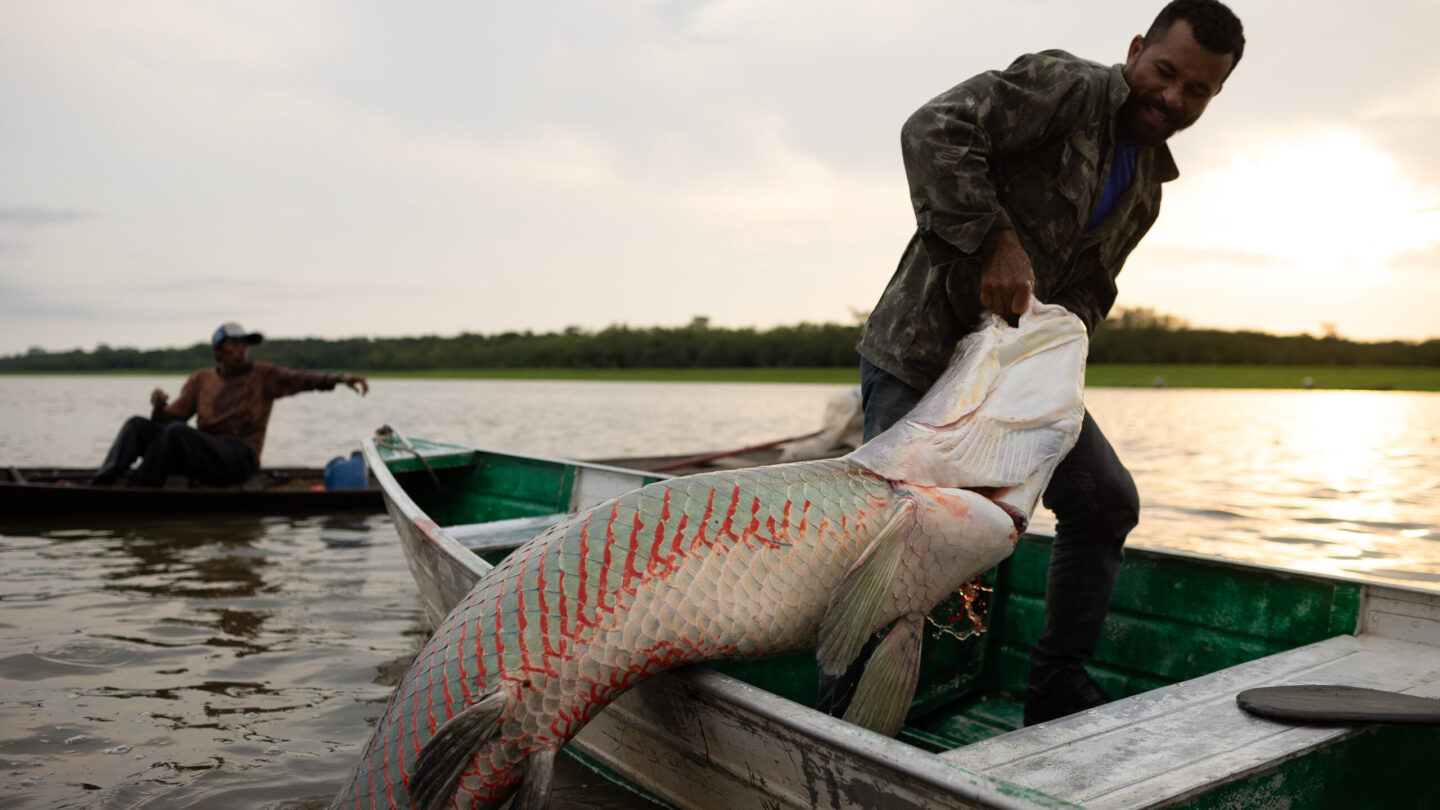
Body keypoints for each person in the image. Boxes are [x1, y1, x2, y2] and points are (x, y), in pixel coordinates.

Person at [830, 0, 1245, 726]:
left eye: (1198, 91)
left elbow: (1090, 291)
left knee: (1105, 501)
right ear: (1137, 48)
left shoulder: (1147, 186)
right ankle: (836, 718)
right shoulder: (1068, 87)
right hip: (923, 357)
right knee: (895, 540)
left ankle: (1055, 686)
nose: (1173, 98)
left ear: (1216, 98)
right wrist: (996, 239)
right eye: (1165, 72)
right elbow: (933, 129)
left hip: (1018, 383)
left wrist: (1053, 356)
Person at [89, 322, 370, 487]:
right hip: (204, 455)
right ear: (218, 351)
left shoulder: (264, 375)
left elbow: (301, 379)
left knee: (177, 433)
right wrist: (159, 408)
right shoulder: (201, 379)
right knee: (138, 425)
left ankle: (138, 490)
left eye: (244, 345)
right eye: (233, 345)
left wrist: (339, 378)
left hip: (238, 459)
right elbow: (168, 422)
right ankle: (101, 483)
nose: (240, 350)